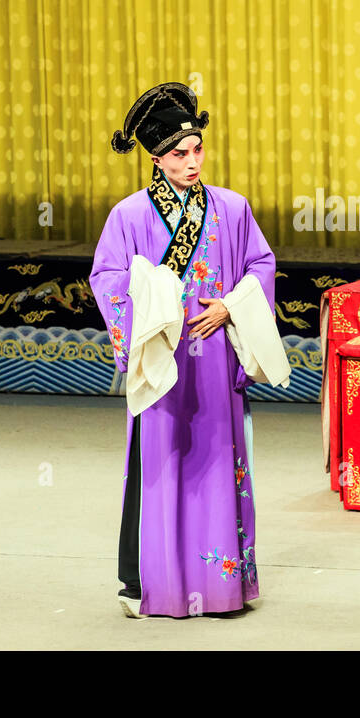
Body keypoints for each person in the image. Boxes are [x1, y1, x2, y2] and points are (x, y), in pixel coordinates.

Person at [90, 81, 290, 619]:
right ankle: (150, 584)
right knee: (159, 464)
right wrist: (150, 304)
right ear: (156, 159)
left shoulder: (232, 208)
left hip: (215, 360)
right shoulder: (129, 216)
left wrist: (230, 306)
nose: (192, 161)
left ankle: (221, 586)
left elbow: (261, 266)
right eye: (179, 154)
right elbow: (106, 278)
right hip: (163, 362)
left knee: (215, 465)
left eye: (198, 149)